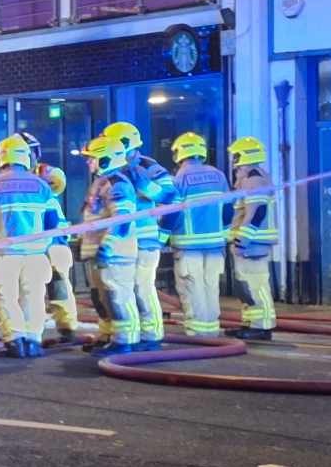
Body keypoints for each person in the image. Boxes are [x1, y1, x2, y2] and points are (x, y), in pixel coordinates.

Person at [0, 135, 67, 358]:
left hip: (6, 256)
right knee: (33, 297)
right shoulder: (42, 185)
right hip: (36, 255)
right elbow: (53, 222)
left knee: (5, 298)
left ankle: (14, 341)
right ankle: (33, 341)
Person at [104, 121, 170, 350]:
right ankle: (130, 335)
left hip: (144, 236)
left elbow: (170, 197)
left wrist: (145, 185)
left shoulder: (149, 167)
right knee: (124, 290)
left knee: (143, 287)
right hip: (125, 241)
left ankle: (151, 336)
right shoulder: (114, 166)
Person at [79, 134, 143, 355]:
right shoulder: (101, 182)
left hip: (115, 253)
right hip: (99, 252)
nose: (89, 162)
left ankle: (125, 339)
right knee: (101, 297)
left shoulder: (117, 184)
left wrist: (108, 247)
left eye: (92, 158)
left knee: (117, 296)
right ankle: (108, 334)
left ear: (106, 159)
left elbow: (122, 220)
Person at [166, 132, 230, 337]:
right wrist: (225, 235)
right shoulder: (219, 175)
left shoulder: (179, 178)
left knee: (192, 289)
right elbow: (228, 208)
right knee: (212, 286)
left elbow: (173, 212)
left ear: (179, 153)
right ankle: (212, 328)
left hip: (188, 245)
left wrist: (162, 237)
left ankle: (198, 332)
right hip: (216, 244)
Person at [21, 134, 80, 342]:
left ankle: (66, 327)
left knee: (58, 285)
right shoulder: (16, 177)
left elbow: (58, 181)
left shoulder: (44, 173)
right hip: (36, 243)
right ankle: (29, 329)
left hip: (53, 242)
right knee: (32, 288)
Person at [226, 135, 277, 340]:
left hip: (252, 244)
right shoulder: (253, 177)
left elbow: (257, 213)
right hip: (252, 243)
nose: (233, 159)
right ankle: (251, 323)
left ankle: (261, 326)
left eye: (236, 156)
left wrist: (242, 241)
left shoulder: (254, 179)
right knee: (247, 285)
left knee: (255, 284)